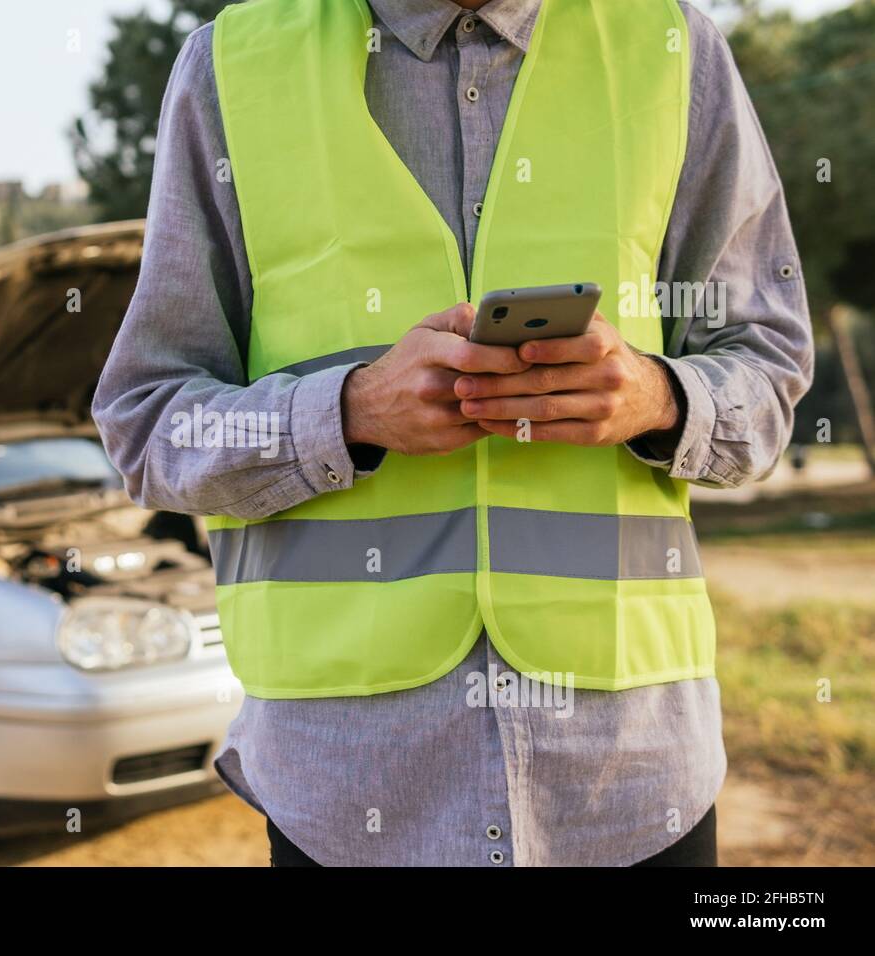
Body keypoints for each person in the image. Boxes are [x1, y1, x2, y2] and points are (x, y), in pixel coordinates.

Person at [93, 0, 813, 866]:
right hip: (350, 789)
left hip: (629, 780)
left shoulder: (670, 48)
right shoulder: (231, 66)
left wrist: (660, 398)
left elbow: (768, 365)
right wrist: (347, 414)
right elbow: (147, 420)